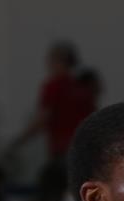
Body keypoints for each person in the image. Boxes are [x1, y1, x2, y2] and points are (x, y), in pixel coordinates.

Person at [7, 42, 97, 177]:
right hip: (86, 151)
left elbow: (43, 118)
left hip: (62, 150)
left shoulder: (53, 86)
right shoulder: (84, 88)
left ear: (59, 61)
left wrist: (18, 141)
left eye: (50, 60)